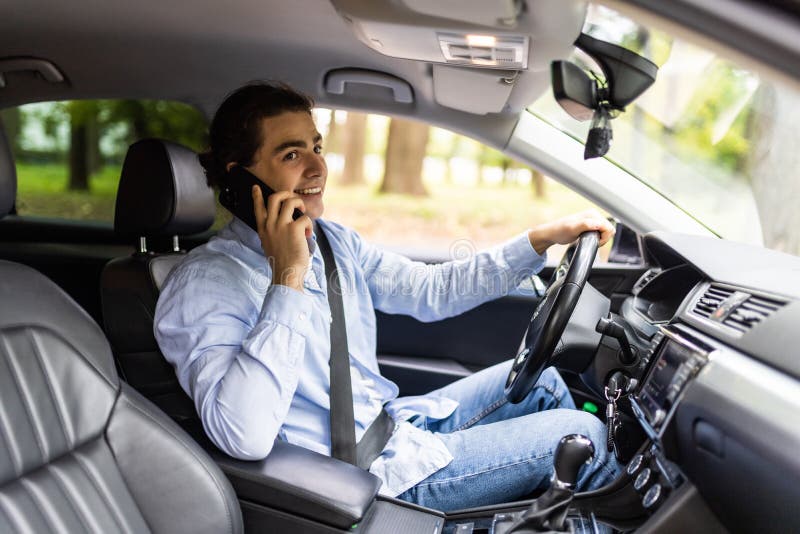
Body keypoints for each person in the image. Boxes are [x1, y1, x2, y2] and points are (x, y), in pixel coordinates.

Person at [154, 82, 621, 512]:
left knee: (544, 382)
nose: (318, 168)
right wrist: (287, 277)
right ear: (240, 179)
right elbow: (244, 434)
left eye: (317, 147)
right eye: (292, 154)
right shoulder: (203, 285)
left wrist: (540, 240)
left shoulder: (332, 242)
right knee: (583, 436)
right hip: (362, 481)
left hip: (392, 428)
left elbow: (431, 290)